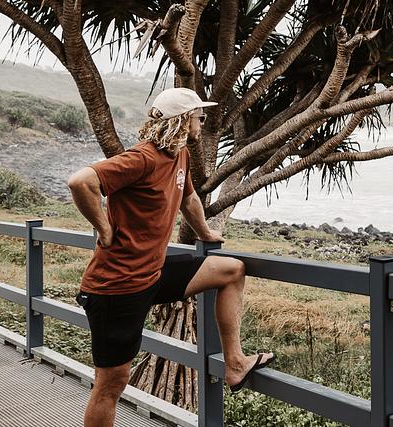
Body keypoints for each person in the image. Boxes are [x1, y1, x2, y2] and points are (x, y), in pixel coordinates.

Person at [67, 88, 274, 427]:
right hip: (117, 288)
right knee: (111, 385)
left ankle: (235, 364)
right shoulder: (142, 158)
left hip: (152, 274)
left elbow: (188, 199)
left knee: (231, 270)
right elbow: (80, 182)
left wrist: (206, 233)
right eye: (199, 117)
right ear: (183, 119)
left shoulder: (180, 155)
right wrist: (104, 229)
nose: (202, 122)